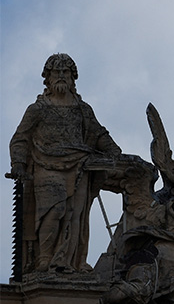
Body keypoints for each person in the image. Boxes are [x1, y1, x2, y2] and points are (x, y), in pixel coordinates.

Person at [9, 54, 121, 275]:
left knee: (75, 214)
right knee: (54, 210)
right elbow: (20, 138)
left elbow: (99, 133)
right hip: (45, 164)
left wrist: (113, 151)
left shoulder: (82, 109)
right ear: (48, 78)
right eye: (56, 72)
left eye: (65, 72)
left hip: (79, 165)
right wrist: (18, 163)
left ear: (72, 77)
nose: (61, 76)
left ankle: (68, 261)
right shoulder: (37, 109)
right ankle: (44, 258)